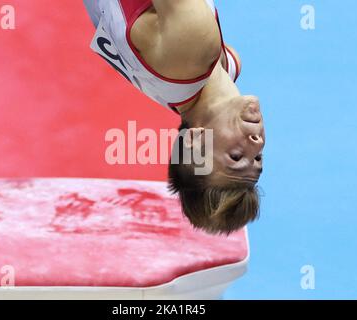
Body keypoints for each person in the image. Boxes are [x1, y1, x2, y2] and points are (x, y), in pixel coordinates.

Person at [83, 0, 265, 234]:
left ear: (195, 140)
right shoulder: (217, 72)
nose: (256, 144)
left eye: (236, 156)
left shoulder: (191, 50)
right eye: (258, 160)